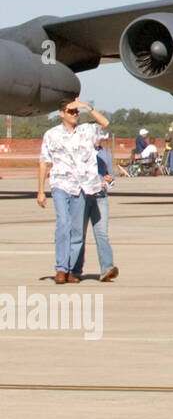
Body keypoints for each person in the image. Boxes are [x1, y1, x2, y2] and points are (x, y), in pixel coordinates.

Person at [35, 98, 111, 284]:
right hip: (61, 184)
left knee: (77, 231)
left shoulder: (86, 130)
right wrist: (40, 191)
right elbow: (44, 162)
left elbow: (105, 123)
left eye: (76, 112)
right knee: (63, 223)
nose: (75, 114)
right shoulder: (51, 134)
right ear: (62, 114)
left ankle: (70, 270)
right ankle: (60, 269)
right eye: (71, 112)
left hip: (83, 186)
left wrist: (86, 107)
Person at [72, 133, 118, 282]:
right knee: (79, 235)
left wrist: (109, 180)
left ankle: (107, 269)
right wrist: (99, 179)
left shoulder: (105, 154)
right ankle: (74, 270)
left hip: (100, 198)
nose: (99, 138)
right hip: (82, 197)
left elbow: (111, 177)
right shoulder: (79, 152)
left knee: (102, 234)